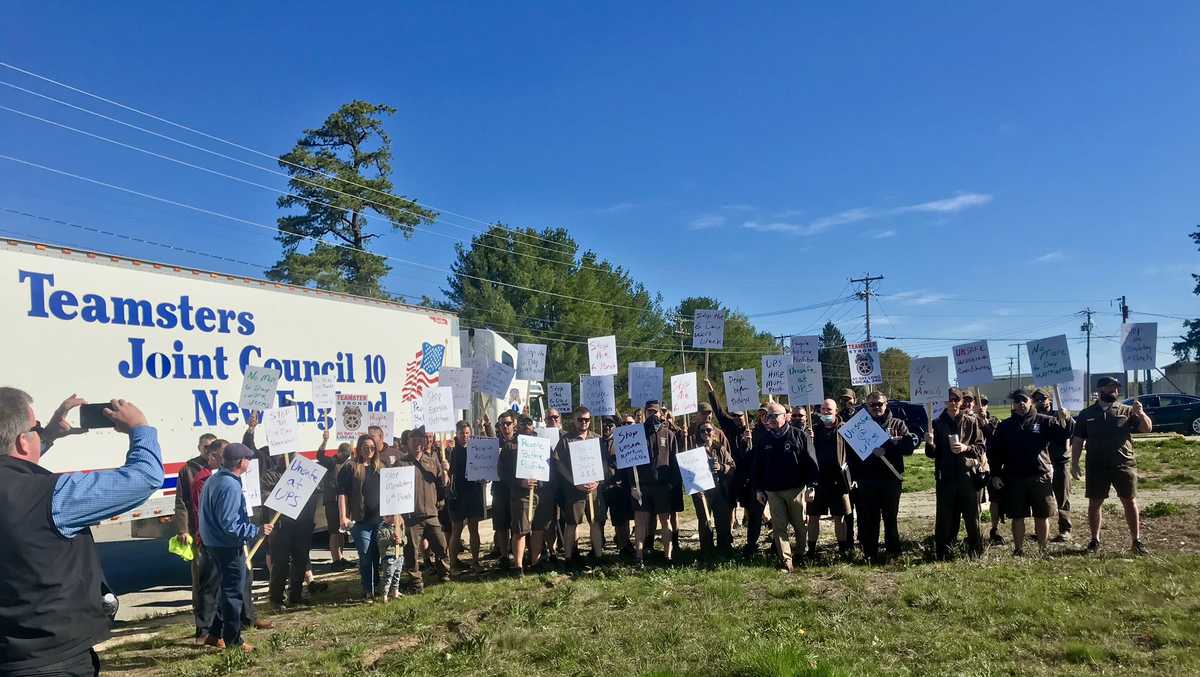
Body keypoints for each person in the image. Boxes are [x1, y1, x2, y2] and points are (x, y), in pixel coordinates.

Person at [0, 391, 162, 674]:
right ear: (23, 442)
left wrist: (45, 434)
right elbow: (144, 478)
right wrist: (140, 429)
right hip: (52, 659)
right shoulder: (53, 496)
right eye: (35, 428)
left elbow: (11, 465)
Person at [198, 442, 274, 653]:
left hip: (213, 544)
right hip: (227, 546)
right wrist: (255, 531)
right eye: (248, 459)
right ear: (241, 462)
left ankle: (214, 634)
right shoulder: (230, 485)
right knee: (233, 594)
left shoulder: (214, 479)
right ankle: (233, 641)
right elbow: (230, 524)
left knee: (225, 591)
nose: (249, 462)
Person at [1070, 376, 1152, 555]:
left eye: (1116, 389)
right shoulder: (1087, 414)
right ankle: (1094, 540)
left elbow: (1147, 429)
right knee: (1095, 503)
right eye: (1110, 388)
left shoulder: (1127, 410)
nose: (1114, 392)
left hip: (1123, 463)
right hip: (1096, 465)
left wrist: (1141, 413)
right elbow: (1077, 441)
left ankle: (1136, 541)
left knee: (1129, 501)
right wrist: (1074, 463)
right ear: (1100, 391)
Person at [989, 390, 1071, 556]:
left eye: (1024, 400)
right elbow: (995, 452)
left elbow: (1064, 435)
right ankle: (1018, 549)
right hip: (1014, 478)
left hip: (1039, 477)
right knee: (1017, 516)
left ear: (1031, 402)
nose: (1020, 404)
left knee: (1042, 515)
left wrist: (1066, 419)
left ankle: (1043, 549)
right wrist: (996, 474)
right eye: (1017, 401)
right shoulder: (1005, 426)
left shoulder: (1045, 421)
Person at [847, 393, 915, 564]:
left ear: (886, 404)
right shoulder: (859, 426)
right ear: (867, 407)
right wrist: (856, 476)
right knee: (870, 519)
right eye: (872, 405)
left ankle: (893, 553)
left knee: (890, 518)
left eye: (879, 404)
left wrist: (890, 446)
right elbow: (852, 455)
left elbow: (908, 448)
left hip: (891, 479)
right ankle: (870, 553)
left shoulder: (898, 424)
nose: (876, 407)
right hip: (867, 481)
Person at [752, 400, 819, 572]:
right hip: (773, 492)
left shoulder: (800, 436)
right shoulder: (763, 439)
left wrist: (811, 486)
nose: (772, 419)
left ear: (786, 417)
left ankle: (801, 554)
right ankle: (786, 561)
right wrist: (759, 489)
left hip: (796, 489)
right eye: (769, 416)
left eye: (776, 415)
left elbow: (811, 463)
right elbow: (757, 466)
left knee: (799, 526)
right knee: (779, 528)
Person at [264, 430, 325, 611]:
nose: (288, 460)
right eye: (286, 457)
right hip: (281, 527)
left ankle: (295, 596)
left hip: (302, 525)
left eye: (292, 456)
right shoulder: (270, 475)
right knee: (280, 564)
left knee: (300, 562)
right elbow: (266, 497)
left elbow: (316, 491)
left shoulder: (304, 472)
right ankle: (276, 599)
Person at [704, 379, 763, 558]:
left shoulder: (755, 431)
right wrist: (711, 392)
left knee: (753, 511)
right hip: (730, 476)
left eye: (740, 415)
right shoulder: (729, 426)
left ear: (746, 416)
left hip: (749, 477)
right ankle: (726, 538)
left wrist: (749, 442)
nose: (738, 418)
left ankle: (751, 543)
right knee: (728, 507)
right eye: (735, 415)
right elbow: (719, 412)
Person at [927, 388, 987, 560]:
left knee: (971, 515)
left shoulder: (971, 421)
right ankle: (943, 551)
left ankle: (976, 550)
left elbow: (981, 447)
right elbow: (932, 454)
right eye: (949, 400)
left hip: (967, 474)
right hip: (945, 476)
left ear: (961, 402)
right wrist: (930, 443)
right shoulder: (937, 423)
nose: (953, 403)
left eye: (956, 399)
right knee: (945, 516)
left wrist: (966, 448)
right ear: (944, 402)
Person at [627, 401, 680, 567]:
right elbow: (628, 461)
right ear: (645, 412)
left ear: (661, 413)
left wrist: (672, 484)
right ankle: (639, 556)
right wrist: (632, 485)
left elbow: (674, 462)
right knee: (640, 523)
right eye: (649, 411)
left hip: (662, 487)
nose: (653, 415)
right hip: (641, 486)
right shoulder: (635, 434)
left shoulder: (668, 434)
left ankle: (668, 556)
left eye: (655, 412)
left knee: (665, 521)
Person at [175, 432, 217, 638]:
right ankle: (201, 623)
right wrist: (183, 529)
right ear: (199, 448)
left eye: (212, 446)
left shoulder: (222, 467)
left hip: (218, 533)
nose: (208, 450)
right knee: (201, 577)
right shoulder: (188, 470)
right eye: (205, 447)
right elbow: (181, 501)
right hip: (198, 531)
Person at [400, 426, 451, 590]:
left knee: (441, 545)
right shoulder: (401, 464)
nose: (417, 443)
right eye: (413, 440)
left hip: (431, 513)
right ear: (407, 443)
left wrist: (445, 472)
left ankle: (444, 573)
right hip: (411, 517)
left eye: (420, 440)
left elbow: (443, 484)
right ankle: (415, 581)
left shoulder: (432, 461)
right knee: (411, 551)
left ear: (424, 442)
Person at [554, 407, 605, 565]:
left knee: (595, 522)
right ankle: (569, 558)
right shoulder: (566, 440)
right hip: (574, 490)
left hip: (594, 489)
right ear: (574, 420)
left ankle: (598, 557)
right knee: (572, 523)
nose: (584, 422)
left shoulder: (597, 438)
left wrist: (597, 481)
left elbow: (604, 462)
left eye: (587, 420)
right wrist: (573, 481)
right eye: (580, 420)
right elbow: (558, 463)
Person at [338, 434, 384, 601]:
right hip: (360, 521)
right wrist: (343, 515)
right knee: (365, 555)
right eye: (365, 447)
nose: (369, 450)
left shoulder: (380, 466)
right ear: (359, 448)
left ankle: (376, 586)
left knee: (376, 555)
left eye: (372, 447)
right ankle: (367, 590)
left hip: (379, 520)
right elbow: (342, 493)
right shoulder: (350, 467)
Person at [806, 399, 852, 558]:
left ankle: (843, 549)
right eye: (823, 409)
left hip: (838, 481)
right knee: (813, 517)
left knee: (840, 518)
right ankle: (811, 550)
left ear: (836, 410)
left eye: (829, 409)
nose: (826, 412)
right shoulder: (813, 429)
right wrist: (808, 438)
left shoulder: (846, 429)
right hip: (817, 481)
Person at [1032, 389, 1076, 541]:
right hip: (1042, 465)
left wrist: (1068, 418)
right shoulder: (1035, 418)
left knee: (1062, 496)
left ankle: (1065, 529)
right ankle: (1042, 530)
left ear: (1050, 400)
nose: (1040, 402)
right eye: (1036, 399)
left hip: (1059, 461)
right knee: (1042, 498)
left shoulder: (1060, 415)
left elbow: (1070, 432)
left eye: (1043, 398)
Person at [694, 420, 736, 559]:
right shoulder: (694, 450)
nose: (706, 433)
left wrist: (722, 468)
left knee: (722, 521)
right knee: (705, 521)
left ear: (713, 432)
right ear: (699, 434)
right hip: (702, 492)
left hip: (720, 490)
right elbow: (688, 472)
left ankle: (723, 549)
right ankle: (706, 551)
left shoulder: (720, 449)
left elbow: (732, 466)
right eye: (702, 431)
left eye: (708, 430)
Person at [965, 393, 1003, 546]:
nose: (981, 405)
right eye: (978, 402)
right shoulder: (968, 421)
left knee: (995, 499)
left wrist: (984, 421)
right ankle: (975, 531)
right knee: (976, 502)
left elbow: (995, 437)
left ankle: (995, 529)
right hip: (976, 467)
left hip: (993, 465)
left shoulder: (994, 421)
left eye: (984, 403)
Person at [448, 420, 485, 573]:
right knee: (456, 530)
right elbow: (446, 475)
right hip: (458, 495)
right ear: (457, 434)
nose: (465, 436)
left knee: (474, 529)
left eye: (467, 433)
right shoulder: (450, 452)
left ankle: (476, 561)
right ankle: (452, 563)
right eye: (462, 433)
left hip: (474, 493)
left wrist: (484, 476)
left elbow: (484, 467)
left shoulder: (476, 449)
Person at [600, 415, 633, 557]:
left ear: (615, 426)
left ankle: (624, 545)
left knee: (621, 519)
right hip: (600, 487)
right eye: (604, 424)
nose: (607, 427)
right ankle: (598, 545)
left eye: (610, 425)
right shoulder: (595, 441)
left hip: (617, 486)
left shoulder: (621, 441)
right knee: (599, 518)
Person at [319, 440, 353, 569]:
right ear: (338, 452)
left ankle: (341, 557)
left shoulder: (349, 463)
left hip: (344, 500)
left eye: (347, 455)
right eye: (343, 454)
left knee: (342, 530)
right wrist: (325, 441)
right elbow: (319, 457)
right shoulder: (331, 462)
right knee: (334, 531)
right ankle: (335, 560)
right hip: (332, 501)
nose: (344, 457)